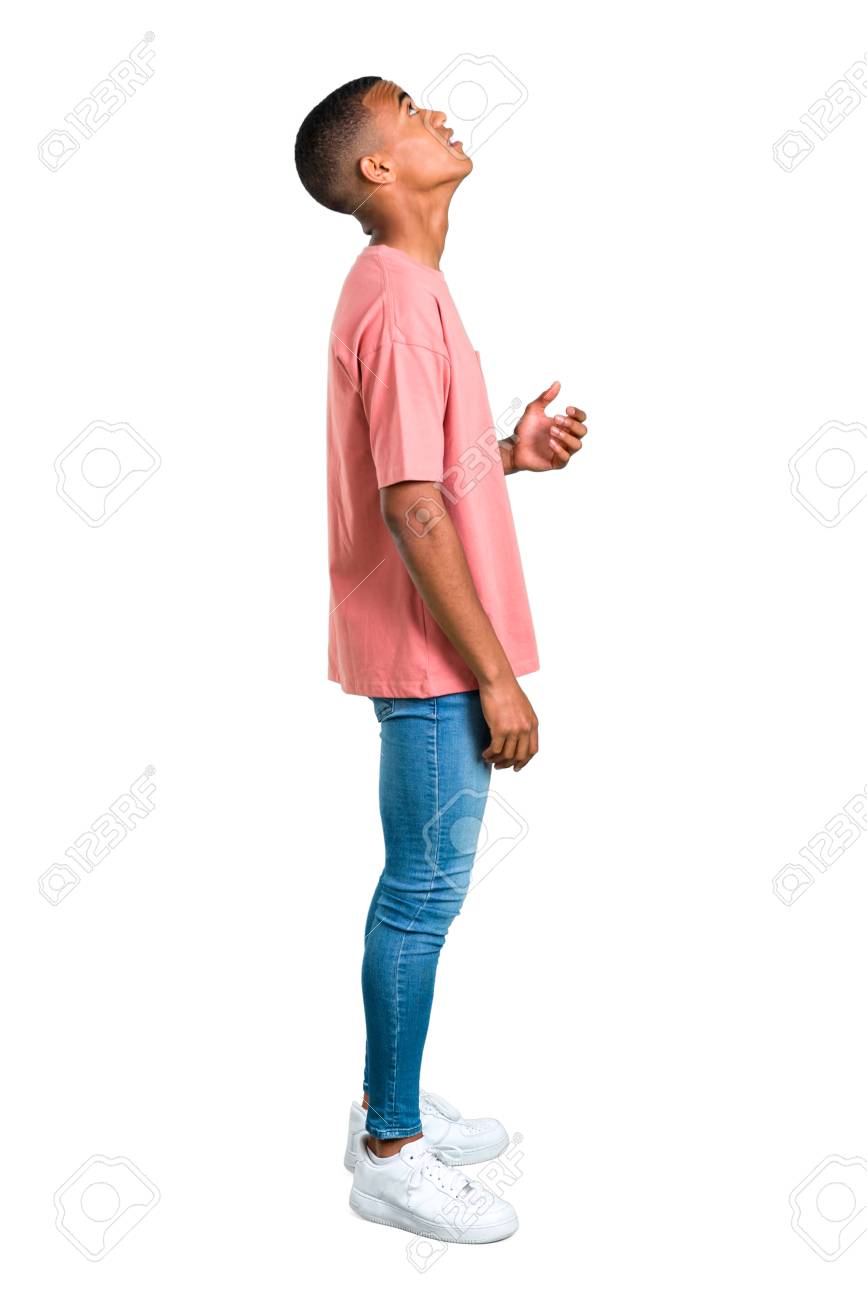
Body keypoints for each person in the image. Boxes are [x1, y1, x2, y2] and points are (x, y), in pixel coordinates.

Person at [295, 76, 588, 1244]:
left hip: (427, 648)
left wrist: (507, 451)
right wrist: (496, 674)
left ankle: (391, 1098)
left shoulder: (403, 287)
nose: (440, 118)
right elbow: (411, 505)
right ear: (377, 167)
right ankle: (390, 1149)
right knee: (420, 896)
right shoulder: (402, 301)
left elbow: (426, 468)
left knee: (421, 890)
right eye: (411, 111)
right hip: (434, 660)